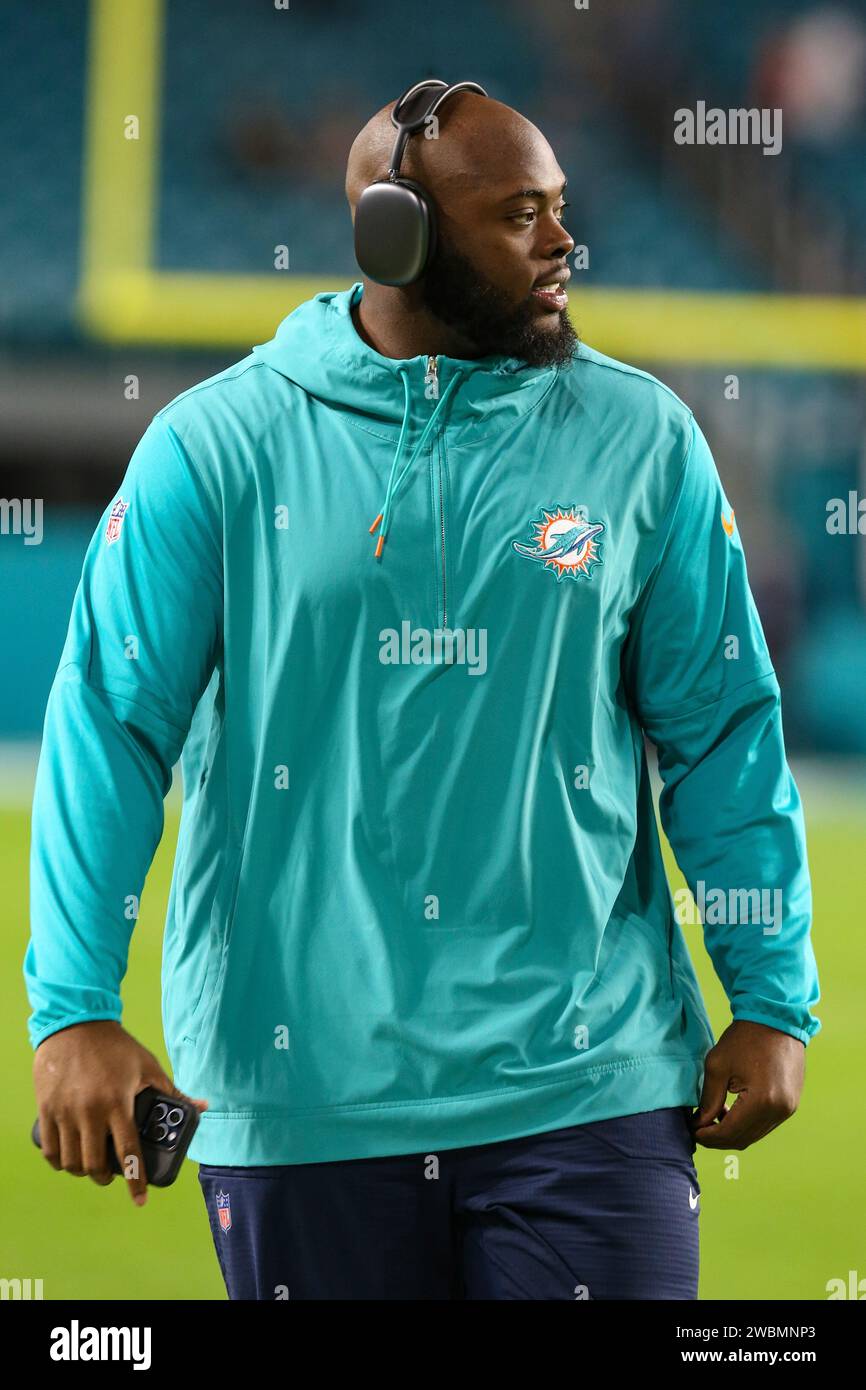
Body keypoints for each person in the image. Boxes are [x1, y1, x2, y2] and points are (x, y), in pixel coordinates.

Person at [25, 82, 820, 1301]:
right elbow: (109, 727)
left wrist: (770, 996)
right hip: (301, 1103)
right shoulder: (216, 446)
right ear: (397, 238)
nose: (564, 244)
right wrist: (73, 1008)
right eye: (520, 217)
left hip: (587, 1089)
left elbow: (719, 731)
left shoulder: (641, 439)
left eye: (560, 210)